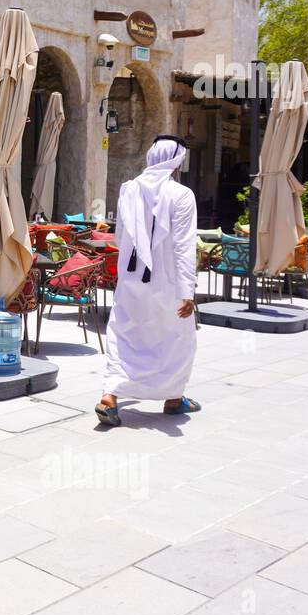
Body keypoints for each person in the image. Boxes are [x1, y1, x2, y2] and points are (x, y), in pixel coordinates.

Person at [96, 136, 200, 427]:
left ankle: (110, 397)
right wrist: (187, 291)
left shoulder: (129, 189)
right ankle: (173, 398)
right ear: (177, 161)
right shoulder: (182, 195)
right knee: (177, 339)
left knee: (125, 333)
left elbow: (121, 237)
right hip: (167, 283)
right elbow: (183, 245)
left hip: (131, 278)